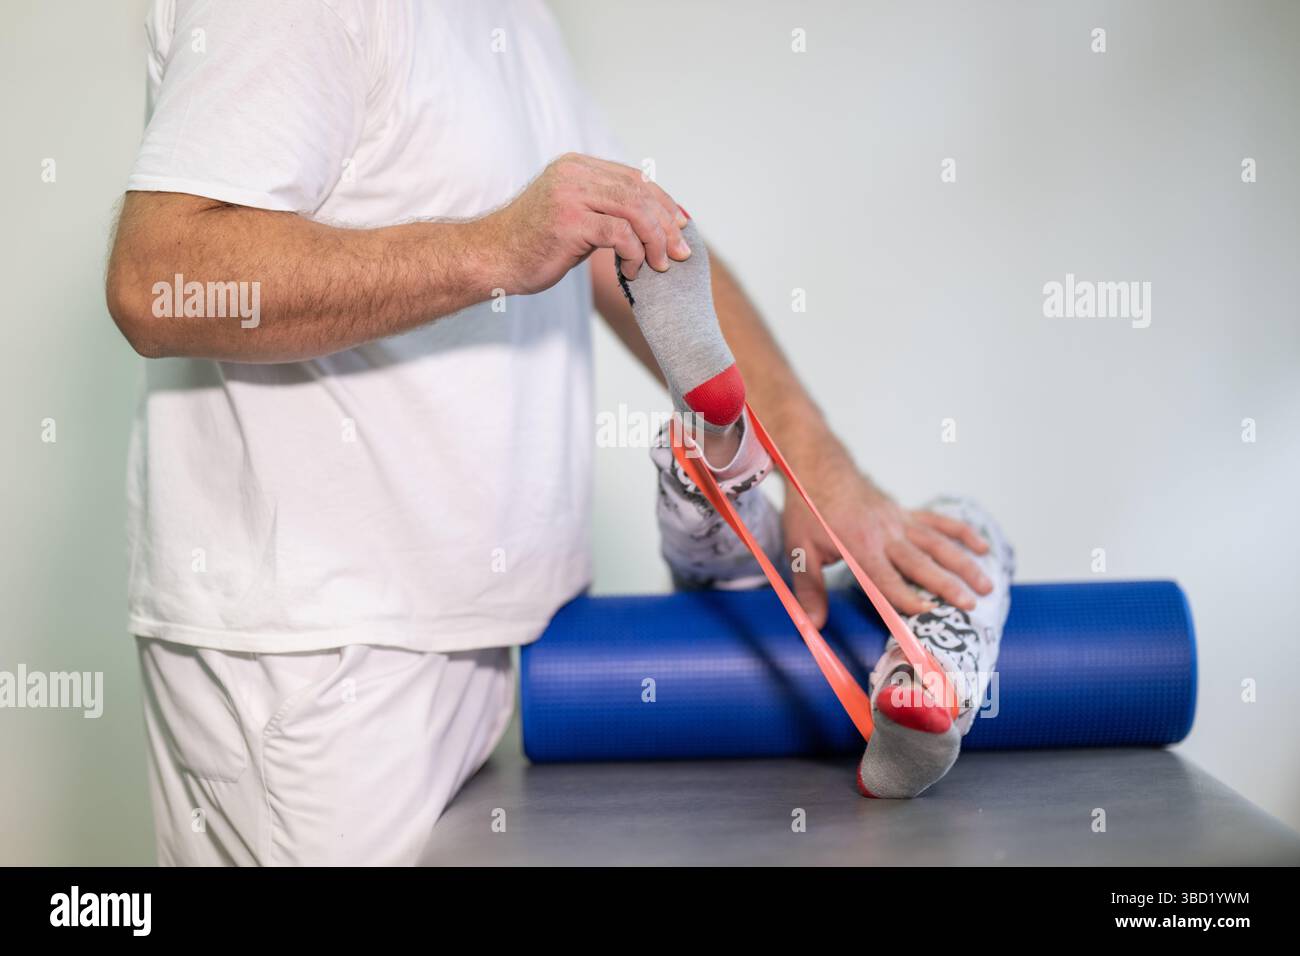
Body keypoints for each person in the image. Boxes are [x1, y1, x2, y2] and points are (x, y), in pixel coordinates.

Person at [106, 0, 997, 864]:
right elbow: (159, 278)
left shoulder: (516, 15)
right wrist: (493, 248)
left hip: (490, 643)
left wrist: (821, 472)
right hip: (314, 658)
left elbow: (635, 248)